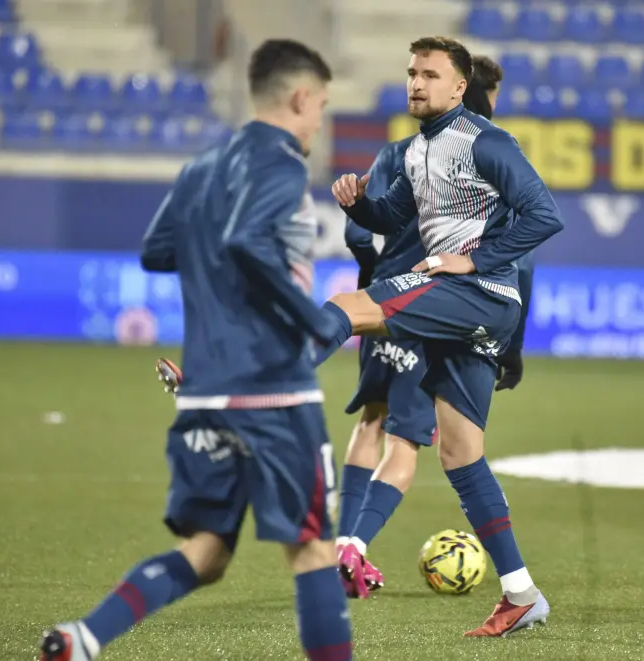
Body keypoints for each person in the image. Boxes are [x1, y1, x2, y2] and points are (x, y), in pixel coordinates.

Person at [38, 39, 353, 661]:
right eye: (320, 105)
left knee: (206, 553)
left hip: (206, 390)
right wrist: (310, 321)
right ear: (300, 97)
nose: (320, 120)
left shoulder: (205, 165)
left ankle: (83, 639)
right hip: (274, 388)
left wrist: (214, 264)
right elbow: (244, 241)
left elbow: (157, 250)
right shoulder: (285, 165)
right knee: (313, 548)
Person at [323, 36, 562, 638]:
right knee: (459, 452)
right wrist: (359, 207)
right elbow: (393, 217)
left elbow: (544, 215)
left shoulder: (486, 141)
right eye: (411, 73)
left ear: (460, 88)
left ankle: (240, 379)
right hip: (469, 310)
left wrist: (474, 259)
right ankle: (521, 593)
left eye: (430, 74)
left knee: (348, 308)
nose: (416, 83)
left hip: (480, 295)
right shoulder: (418, 151)